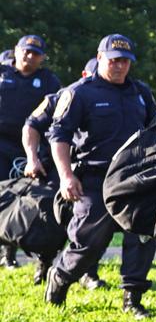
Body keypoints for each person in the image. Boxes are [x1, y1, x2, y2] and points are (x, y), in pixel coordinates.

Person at [44, 34, 156, 317]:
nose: (120, 66)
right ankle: (60, 277)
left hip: (134, 178)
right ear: (99, 58)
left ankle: (132, 298)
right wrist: (66, 176)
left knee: (142, 235)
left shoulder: (140, 92)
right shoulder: (80, 93)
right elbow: (59, 136)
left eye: (125, 61)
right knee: (88, 242)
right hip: (94, 179)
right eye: (114, 60)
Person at [22, 58, 105, 286]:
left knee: (90, 224)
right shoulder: (62, 97)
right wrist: (32, 159)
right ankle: (45, 263)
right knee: (52, 221)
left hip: (88, 171)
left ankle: (88, 273)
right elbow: (31, 125)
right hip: (55, 169)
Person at [0, 35, 61, 266]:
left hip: (29, 147)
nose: (29, 56)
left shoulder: (48, 81)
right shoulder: (2, 73)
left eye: (35, 53)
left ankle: (8, 254)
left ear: (42, 58)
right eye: (26, 51)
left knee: (20, 200)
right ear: (16, 50)